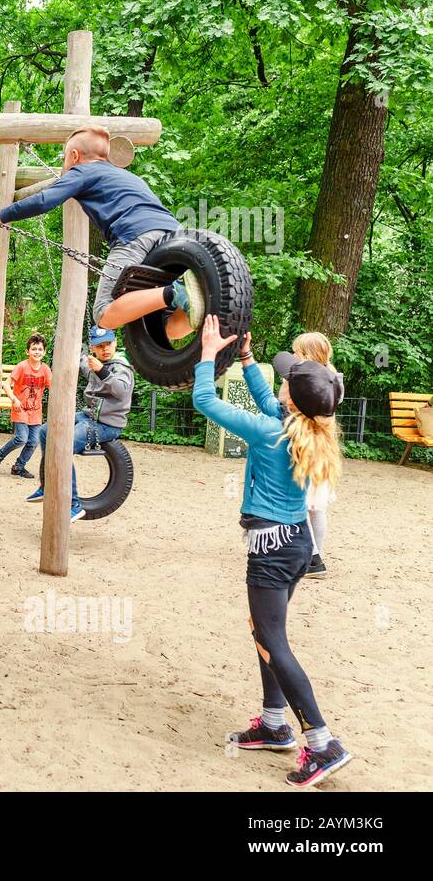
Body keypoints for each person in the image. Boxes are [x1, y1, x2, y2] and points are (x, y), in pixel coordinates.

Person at [193, 316, 350, 788]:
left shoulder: (268, 431)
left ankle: (323, 744)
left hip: (271, 548)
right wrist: (245, 357)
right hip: (298, 544)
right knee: (266, 633)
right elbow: (268, 401)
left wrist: (206, 352)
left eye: (284, 378)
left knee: (274, 641)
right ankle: (274, 722)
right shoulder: (306, 425)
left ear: (291, 395)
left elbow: (205, 400)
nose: (279, 381)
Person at [0, 126, 211, 342]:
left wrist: (0, 217)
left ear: (75, 156)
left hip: (135, 235)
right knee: (166, 330)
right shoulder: (130, 177)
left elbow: (44, 200)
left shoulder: (82, 170)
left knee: (103, 314)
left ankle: (175, 292)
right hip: (176, 236)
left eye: (65, 157)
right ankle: (204, 304)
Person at [25, 325, 133, 520]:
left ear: (115, 343)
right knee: (44, 431)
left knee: (63, 446)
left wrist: (102, 371)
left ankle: (73, 503)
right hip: (88, 416)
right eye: (100, 346)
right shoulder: (93, 362)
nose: (105, 349)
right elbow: (81, 359)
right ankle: (46, 485)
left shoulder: (120, 367)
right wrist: (70, 344)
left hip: (107, 424)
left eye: (109, 344)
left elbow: (122, 390)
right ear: (93, 348)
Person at [292, 332, 343, 579]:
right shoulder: (333, 378)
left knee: (301, 505)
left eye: (297, 352)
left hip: (308, 446)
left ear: (307, 354)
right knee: (317, 507)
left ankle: (312, 558)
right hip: (326, 446)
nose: (293, 356)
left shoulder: (306, 379)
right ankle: (316, 554)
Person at [0, 332, 52, 479]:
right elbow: (6, 384)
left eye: (40, 349)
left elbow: (54, 387)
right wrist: (14, 399)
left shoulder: (45, 369)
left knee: (34, 441)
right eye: (34, 349)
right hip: (20, 408)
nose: (37, 352)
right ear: (28, 351)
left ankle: (19, 467)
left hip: (36, 411)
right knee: (21, 439)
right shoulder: (22, 366)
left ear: (44, 352)